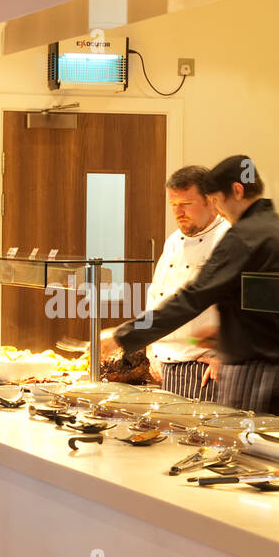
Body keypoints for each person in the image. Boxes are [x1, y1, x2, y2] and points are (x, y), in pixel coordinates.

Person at [104, 154, 279, 416]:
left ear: (237, 190)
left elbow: (193, 296)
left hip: (246, 373)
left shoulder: (242, 236)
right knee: (262, 440)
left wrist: (124, 335)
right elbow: (275, 309)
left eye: (217, 200)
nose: (218, 210)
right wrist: (229, 329)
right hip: (275, 371)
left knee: (236, 440)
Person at [100, 166, 229, 399]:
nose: (178, 212)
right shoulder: (173, 241)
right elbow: (157, 296)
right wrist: (152, 347)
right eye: (173, 204)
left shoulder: (228, 239)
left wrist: (227, 356)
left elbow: (241, 308)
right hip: (166, 366)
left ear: (211, 200)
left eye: (186, 203)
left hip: (204, 368)